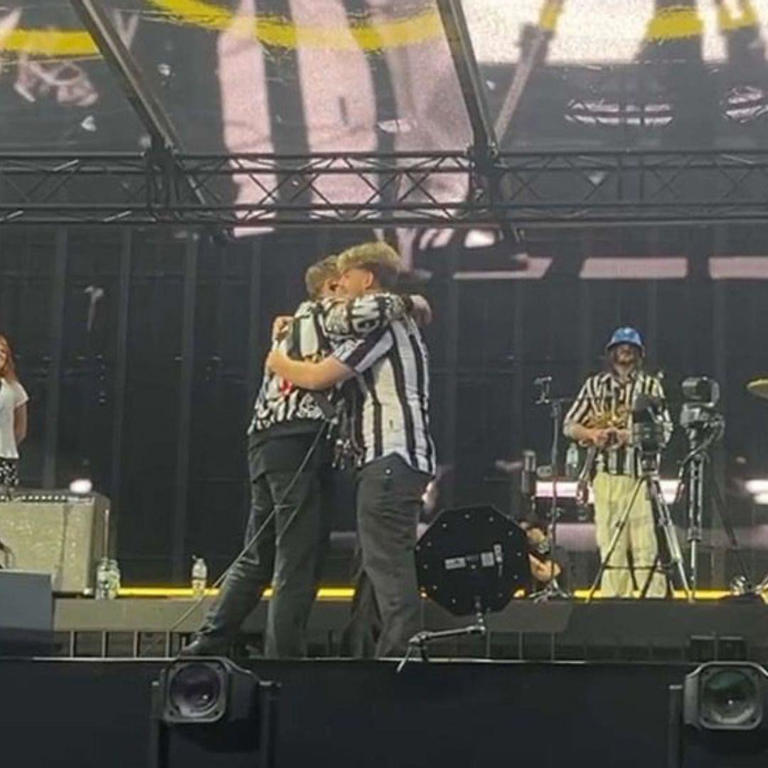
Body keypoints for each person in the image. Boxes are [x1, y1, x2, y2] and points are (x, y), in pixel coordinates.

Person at [183, 255, 415, 658]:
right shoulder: (325, 316)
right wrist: (413, 302)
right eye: (339, 285)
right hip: (297, 441)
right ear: (327, 290)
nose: (346, 293)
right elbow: (381, 308)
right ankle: (285, 660)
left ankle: (210, 639)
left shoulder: (292, 325)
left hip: (266, 442)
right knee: (298, 557)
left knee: (260, 550)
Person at [267, 241, 435, 657]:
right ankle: (374, 657)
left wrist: (278, 361)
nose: (339, 287)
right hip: (394, 460)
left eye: (345, 279)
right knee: (377, 567)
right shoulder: (395, 316)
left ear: (368, 278)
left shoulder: (378, 319)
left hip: (391, 457)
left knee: (388, 569)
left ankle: (399, 664)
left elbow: (321, 375)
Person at [563, 327, 672, 598]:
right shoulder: (594, 386)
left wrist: (629, 436)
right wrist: (592, 434)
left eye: (630, 347)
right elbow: (569, 425)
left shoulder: (650, 386)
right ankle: (614, 599)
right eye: (621, 346)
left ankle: (652, 600)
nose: (625, 350)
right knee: (610, 543)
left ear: (638, 353)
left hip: (639, 475)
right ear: (611, 352)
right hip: (605, 475)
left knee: (644, 541)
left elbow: (666, 430)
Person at [0, 335, 28, 489]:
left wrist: (8, 444)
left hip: (5, 457)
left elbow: (21, 429)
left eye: (3, 352)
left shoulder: (14, 389)